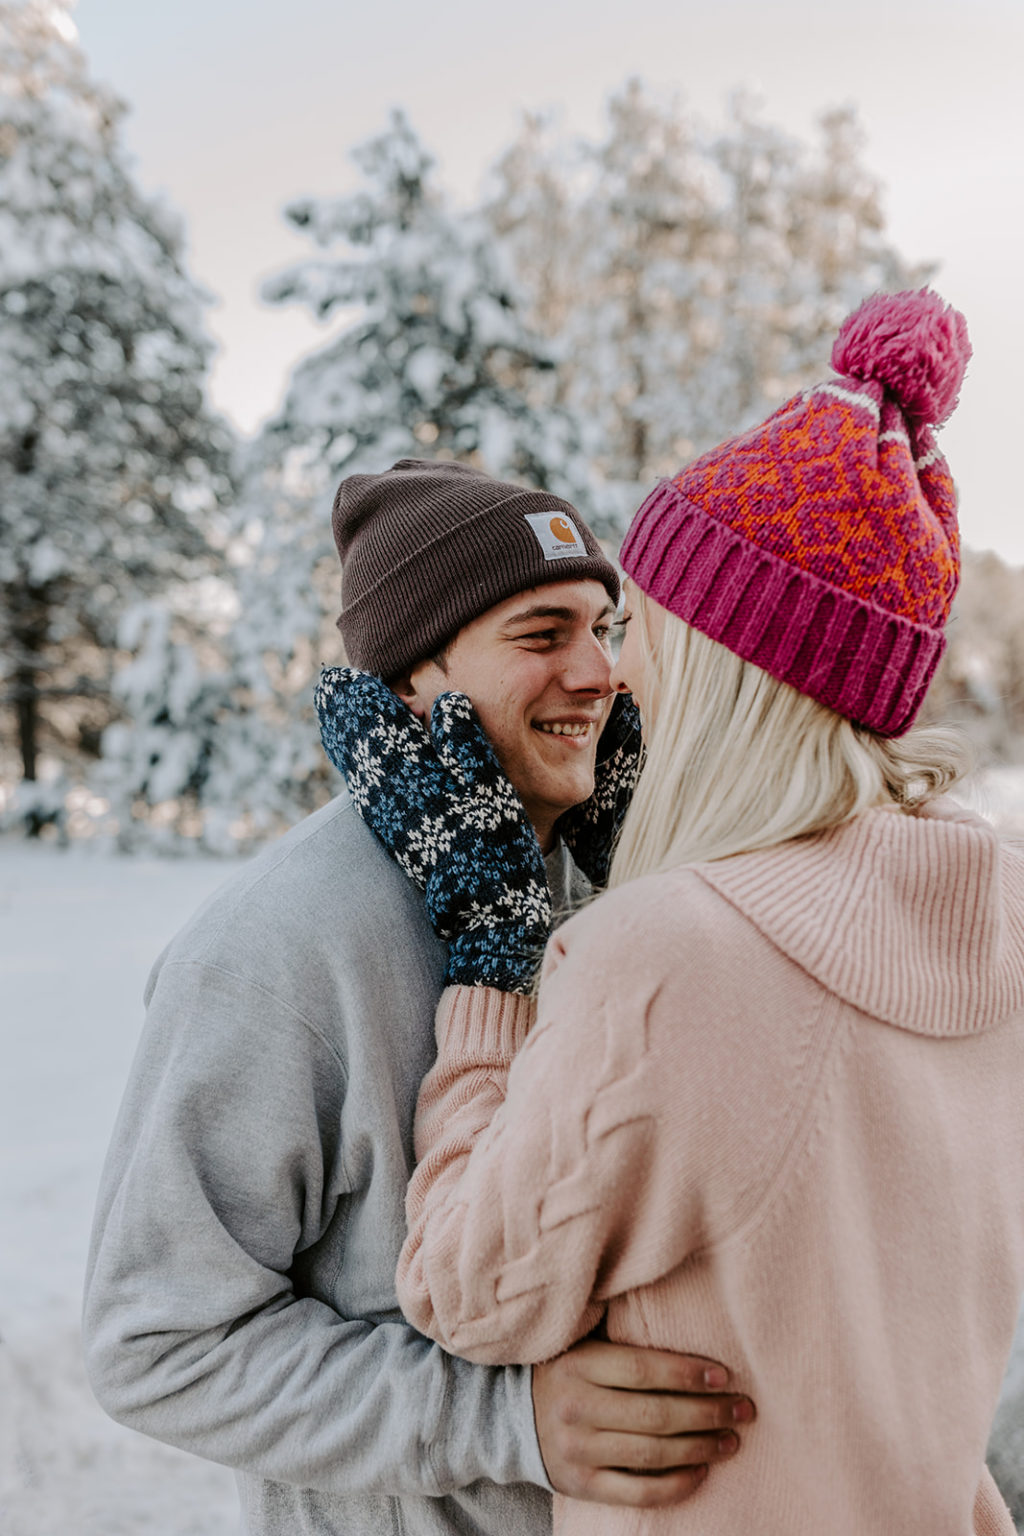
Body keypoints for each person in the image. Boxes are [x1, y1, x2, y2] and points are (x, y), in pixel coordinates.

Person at [318, 293, 1024, 1534]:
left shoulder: (671, 949)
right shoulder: (998, 912)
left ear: (722, 664)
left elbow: (471, 1292)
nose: (617, 670)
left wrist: (494, 969)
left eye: (638, 627)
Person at [82, 460, 754, 1536]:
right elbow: (158, 1344)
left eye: (604, 627)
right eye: (541, 637)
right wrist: (505, 1420)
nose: (599, 674)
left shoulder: (626, 891)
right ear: (412, 683)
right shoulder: (275, 947)